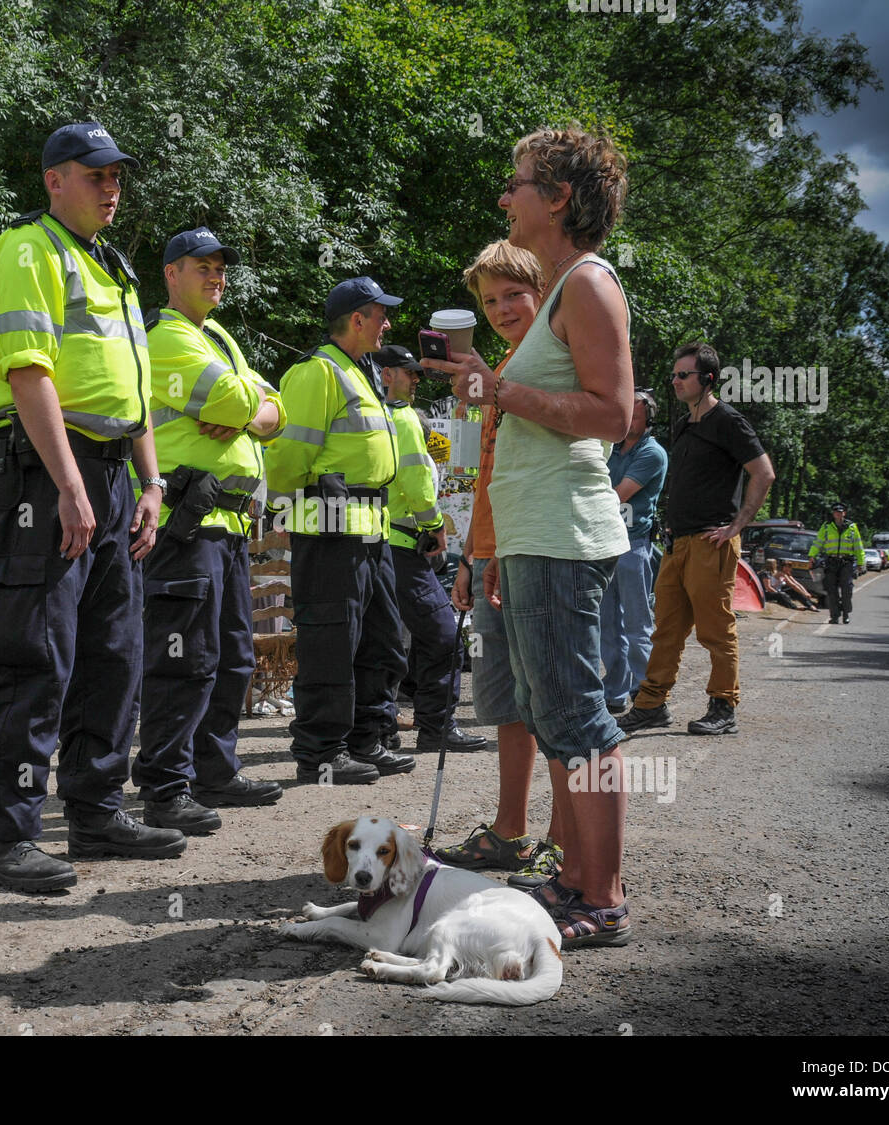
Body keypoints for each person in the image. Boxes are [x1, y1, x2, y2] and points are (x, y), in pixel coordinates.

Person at [429, 127, 635, 949]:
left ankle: (605, 896)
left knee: (578, 716)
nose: (504, 197)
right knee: (554, 713)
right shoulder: (557, 289)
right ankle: (577, 877)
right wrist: (493, 388)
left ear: (557, 198)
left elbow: (613, 414)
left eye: (516, 184)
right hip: (534, 534)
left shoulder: (587, 283)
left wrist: (503, 391)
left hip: (563, 531)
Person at [0, 121, 183, 892]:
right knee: (36, 659)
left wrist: (151, 483)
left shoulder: (112, 266)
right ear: (53, 179)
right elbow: (29, 373)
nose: (111, 187)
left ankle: (94, 808)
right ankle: (5, 835)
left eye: (116, 174)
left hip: (114, 476)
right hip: (47, 475)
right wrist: (66, 485)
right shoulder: (29, 249)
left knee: (112, 657)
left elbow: (136, 395)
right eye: (94, 175)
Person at [131, 227, 286, 833]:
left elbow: (276, 411)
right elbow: (240, 402)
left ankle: (212, 770)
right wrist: (248, 409)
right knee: (184, 659)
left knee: (231, 657)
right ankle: (166, 788)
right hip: (184, 525)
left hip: (226, 524)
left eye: (221, 267)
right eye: (202, 266)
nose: (216, 276)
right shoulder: (166, 337)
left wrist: (246, 411)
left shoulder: (215, 337)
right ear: (171, 273)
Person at [437, 240, 563, 877]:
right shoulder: (502, 370)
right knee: (507, 703)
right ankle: (510, 831)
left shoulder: (548, 358)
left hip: (536, 549)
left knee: (555, 701)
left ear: (541, 293)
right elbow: (484, 474)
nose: (503, 308)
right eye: (489, 300)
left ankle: (562, 846)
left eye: (514, 294)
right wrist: (468, 557)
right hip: (491, 553)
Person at [265, 277, 414, 785]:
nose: (388, 324)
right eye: (381, 314)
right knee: (331, 643)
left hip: (370, 526)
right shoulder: (317, 372)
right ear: (357, 319)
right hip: (329, 527)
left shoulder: (361, 370)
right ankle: (321, 753)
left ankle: (366, 740)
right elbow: (285, 459)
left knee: (383, 639)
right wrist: (293, 507)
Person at [618, 342, 775, 737]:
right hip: (677, 544)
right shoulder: (686, 423)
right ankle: (651, 705)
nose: (674, 380)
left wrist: (737, 525)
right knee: (666, 630)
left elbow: (764, 473)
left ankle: (723, 707)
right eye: (674, 374)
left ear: (707, 379)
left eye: (682, 375)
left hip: (712, 543)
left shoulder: (729, 421)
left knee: (715, 630)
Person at [375, 344, 486, 754]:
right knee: (444, 637)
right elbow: (418, 481)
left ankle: (380, 728)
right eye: (410, 373)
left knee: (383, 640)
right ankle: (436, 727)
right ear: (387, 374)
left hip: (377, 546)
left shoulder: (371, 414)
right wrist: (435, 527)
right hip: (403, 548)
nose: (417, 380)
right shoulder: (402, 417)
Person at [600, 388, 667, 712]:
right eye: (625, 413)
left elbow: (617, 495)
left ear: (648, 419)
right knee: (608, 625)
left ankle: (647, 696)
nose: (628, 421)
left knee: (637, 626)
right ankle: (614, 692)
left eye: (635, 416)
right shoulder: (611, 448)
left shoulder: (651, 453)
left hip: (633, 546)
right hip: (606, 544)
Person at [809, 502, 863, 624]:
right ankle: (834, 616)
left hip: (846, 562)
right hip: (831, 561)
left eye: (840, 512)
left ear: (844, 513)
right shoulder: (827, 526)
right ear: (833, 513)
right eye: (836, 512)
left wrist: (860, 562)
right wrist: (812, 555)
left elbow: (858, 546)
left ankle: (846, 613)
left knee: (846, 589)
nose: (838, 514)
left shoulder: (852, 527)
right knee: (831, 590)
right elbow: (818, 542)